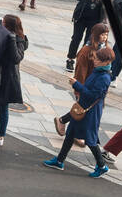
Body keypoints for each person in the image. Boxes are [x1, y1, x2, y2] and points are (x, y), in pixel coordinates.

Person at [43, 46, 114, 176]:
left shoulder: (104, 77)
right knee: (70, 133)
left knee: (91, 140)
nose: (95, 61)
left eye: (98, 59)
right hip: (82, 109)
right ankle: (59, 161)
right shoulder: (98, 71)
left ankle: (102, 166)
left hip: (90, 112)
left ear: (106, 62)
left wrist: (76, 85)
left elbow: (92, 95)